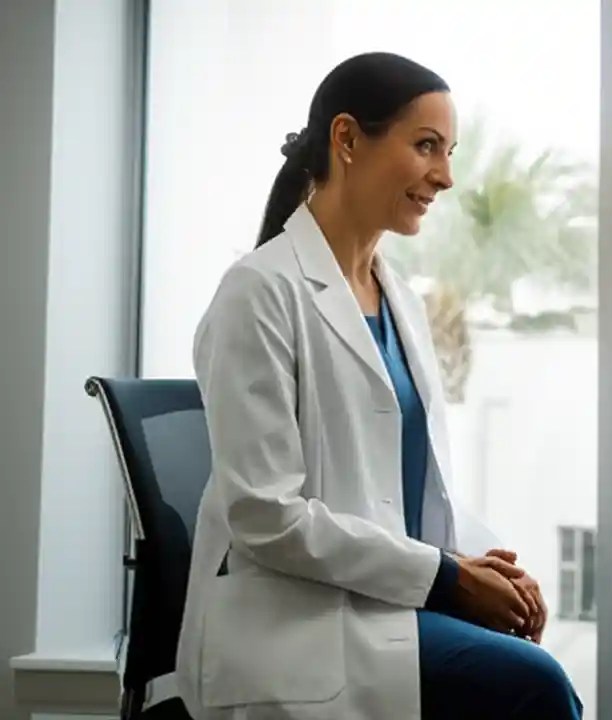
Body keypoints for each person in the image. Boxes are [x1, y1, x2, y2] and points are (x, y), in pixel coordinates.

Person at [174, 52, 582, 720]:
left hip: (382, 606)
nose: (445, 176)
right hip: (296, 625)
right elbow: (265, 517)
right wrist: (449, 577)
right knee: (533, 685)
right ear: (346, 139)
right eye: (426, 146)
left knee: (526, 667)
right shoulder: (259, 292)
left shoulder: (402, 302)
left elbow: (408, 494)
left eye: (449, 152)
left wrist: (486, 565)